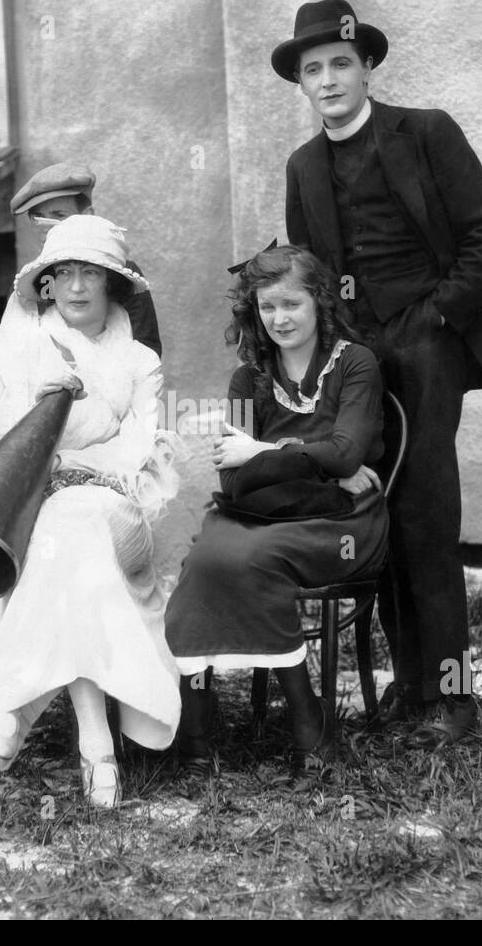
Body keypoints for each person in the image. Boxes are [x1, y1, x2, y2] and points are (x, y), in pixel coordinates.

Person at [277, 0, 482, 746]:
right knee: (375, 508)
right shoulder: (302, 167)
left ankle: (453, 698)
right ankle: (409, 687)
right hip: (359, 355)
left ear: (367, 67)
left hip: (429, 345)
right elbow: (313, 277)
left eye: (341, 64)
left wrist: (437, 317)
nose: (328, 81)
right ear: (302, 82)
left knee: (424, 510)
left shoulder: (425, 132)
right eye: (313, 69)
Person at [0, 215, 180, 808]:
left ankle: (14, 704)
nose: (77, 287)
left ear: (112, 284)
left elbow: (138, 449)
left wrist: (68, 456)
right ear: (47, 285)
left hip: (119, 512)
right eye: (64, 274)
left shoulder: (139, 362)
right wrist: (32, 410)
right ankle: (96, 743)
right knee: (67, 537)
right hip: (33, 519)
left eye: (91, 273)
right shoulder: (15, 347)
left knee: (76, 520)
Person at [165, 243, 388, 778]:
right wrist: (318, 462)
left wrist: (264, 452)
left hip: (340, 523)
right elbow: (234, 479)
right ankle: (195, 728)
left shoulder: (356, 363)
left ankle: (306, 719)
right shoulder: (249, 379)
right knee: (201, 566)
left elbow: (348, 455)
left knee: (251, 560)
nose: (279, 319)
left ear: (319, 303)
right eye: (267, 308)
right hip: (255, 515)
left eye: (291, 305)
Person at [10, 161, 162, 357]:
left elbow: (147, 350)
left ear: (88, 216)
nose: (46, 226)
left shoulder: (120, 272)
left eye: (59, 216)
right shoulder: (28, 280)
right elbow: (12, 352)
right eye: (37, 217)